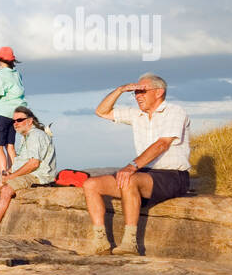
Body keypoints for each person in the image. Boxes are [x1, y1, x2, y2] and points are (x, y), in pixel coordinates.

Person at [80, 74, 191, 255]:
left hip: (172, 175)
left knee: (130, 179)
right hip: (146, 174)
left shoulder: (174, 111)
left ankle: (130, 243)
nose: (137, 95)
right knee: (90, 184)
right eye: (135, 92)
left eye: (142, 91)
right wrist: (120, 90)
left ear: (159, 92)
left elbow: (162, 144)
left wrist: (132, 166)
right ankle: (100, 241)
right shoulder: (136, 114)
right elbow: (101, 111)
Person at [0, 107, 55, 235]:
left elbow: (34, 164)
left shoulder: (36, 135)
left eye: (19, 120)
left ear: (30, 121)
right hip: (27, 173)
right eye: (14, 121)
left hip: (38, 176)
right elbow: (23, 161)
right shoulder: (26, 136)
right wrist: (10, 171)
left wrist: (12, 176)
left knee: (6, 189)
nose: (15, 123)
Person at [0, 47, 27, 176]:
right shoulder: (17, 74)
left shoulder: (0, 74)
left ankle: (3, 174)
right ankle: (13, 172)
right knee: (10, 145)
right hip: (16, 114)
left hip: (2, 113)